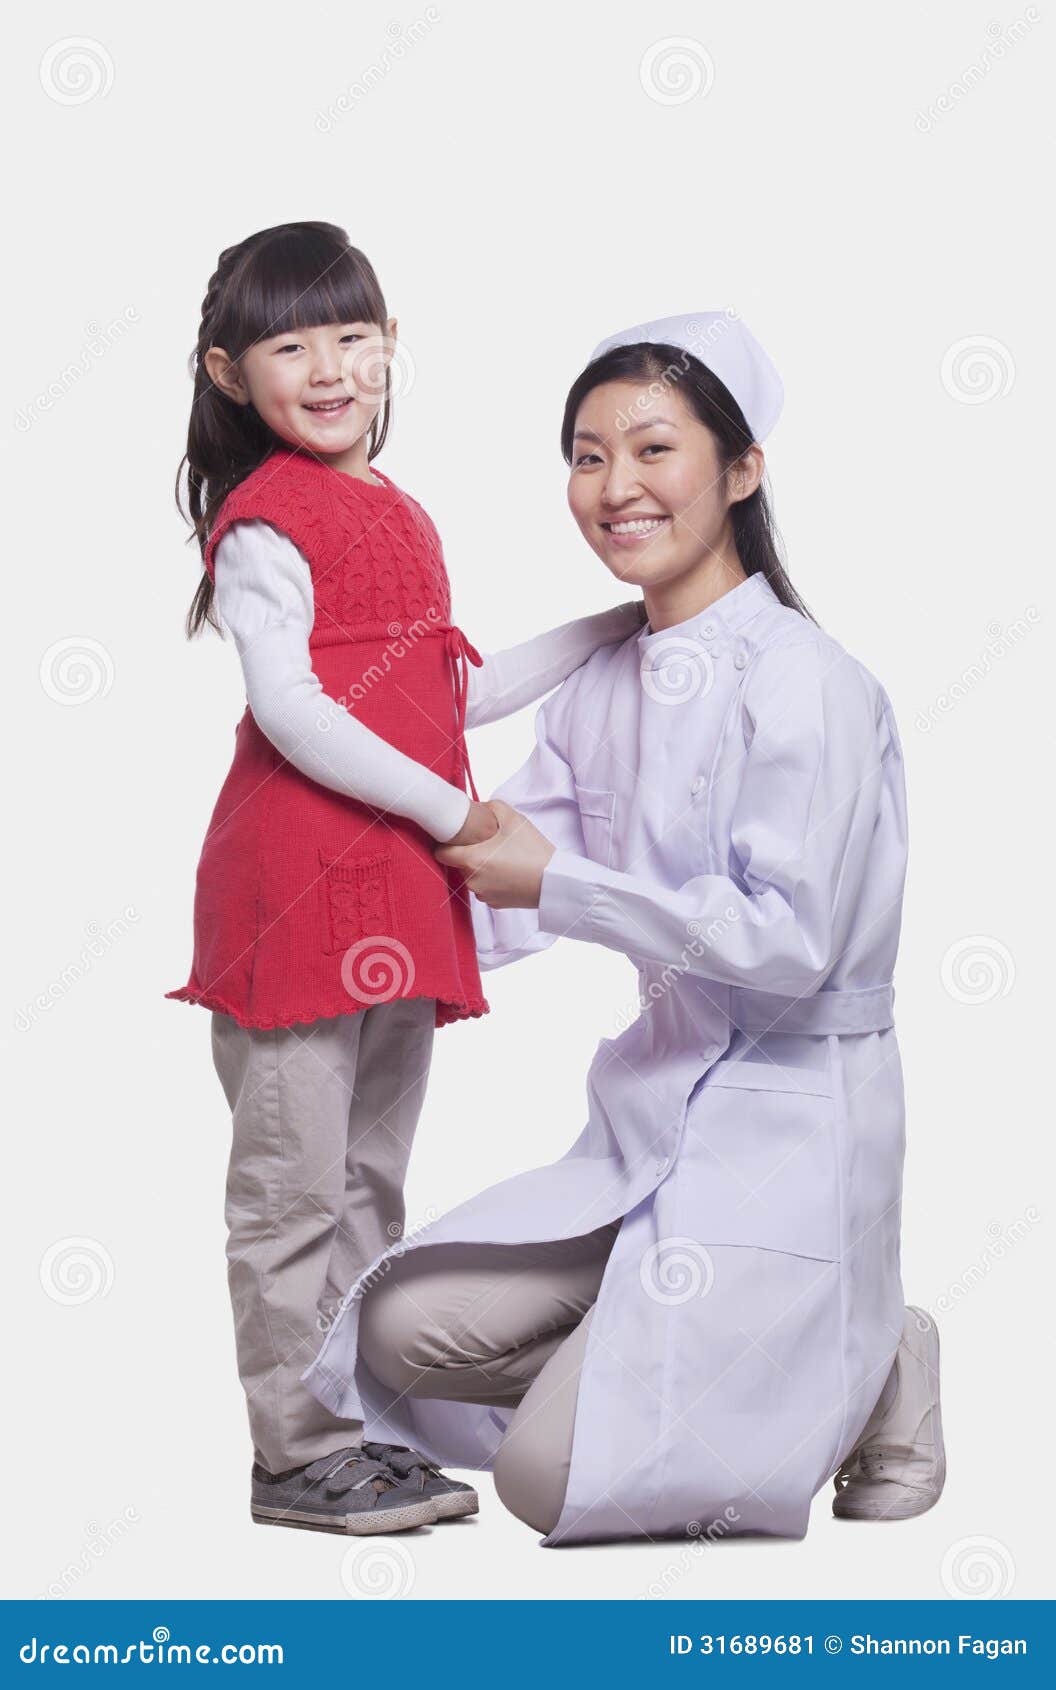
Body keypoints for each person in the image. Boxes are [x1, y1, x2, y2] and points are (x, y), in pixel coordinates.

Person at [304, 312, 947, 1544]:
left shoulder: (807, 681)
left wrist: (562, 885)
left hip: (792, 1129)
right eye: (587, 455)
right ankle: (707, 1345)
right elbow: (500, 872)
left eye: (654, 449)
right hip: (653, 1117)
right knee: (394, 1329)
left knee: (553, 1480)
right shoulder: (605, 682)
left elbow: (789, 943)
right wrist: (344, 963)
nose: (616, 487)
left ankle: (876, 1354)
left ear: (742, 469)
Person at [167, 221, 642, 1535]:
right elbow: (300, 709)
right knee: (290, 1185)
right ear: (228, 371)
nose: (331, 367)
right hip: (297, 889)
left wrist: (609, 626)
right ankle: (293, 1451)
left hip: (396, 889)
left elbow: (448, 693)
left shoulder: (400, 510)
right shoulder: (265, 525)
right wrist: (459, 811)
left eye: (354, 334)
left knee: (368, 1179)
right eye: (292, 343)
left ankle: (350, 1428)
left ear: (390, 346)